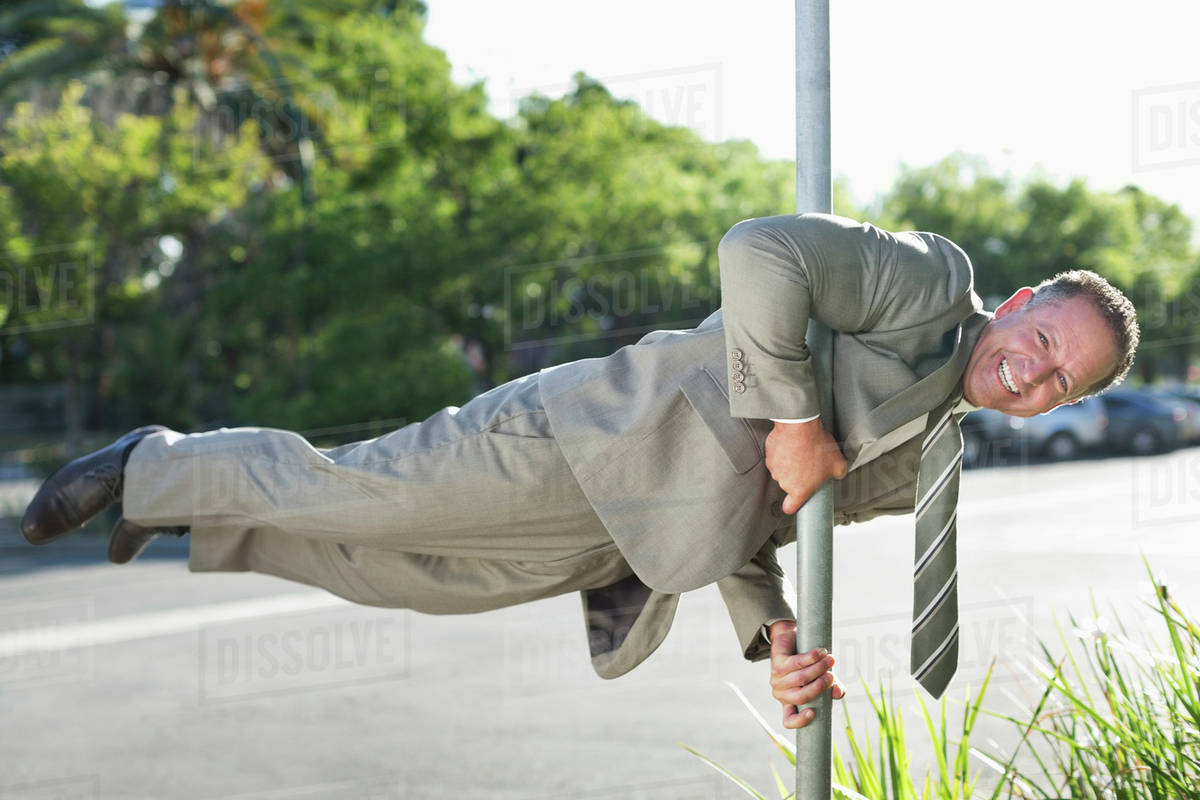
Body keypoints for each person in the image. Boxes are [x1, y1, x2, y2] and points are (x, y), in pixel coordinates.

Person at [20, 213, 1139, 730]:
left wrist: (777, 638)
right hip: (589, 440)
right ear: (1028, 299)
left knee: (398, 574)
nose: (1033, 373)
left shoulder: (936, 454)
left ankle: (180, 518)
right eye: (1045, 339)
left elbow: (772, 518)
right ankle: (153, 466)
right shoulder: (929, 284)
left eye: (1061, 382)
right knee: (370, 490)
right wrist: (796, 415)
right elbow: (760, 249)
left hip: (636, 540)